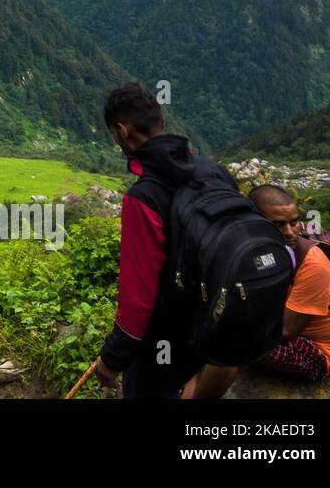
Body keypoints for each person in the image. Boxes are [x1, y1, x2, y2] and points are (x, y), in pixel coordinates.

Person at [94, 83, 239, 398]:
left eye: (114, 134)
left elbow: (138, 296)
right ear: (161, 122)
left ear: (122, 131)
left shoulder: (143, 197)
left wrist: (113, 359)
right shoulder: (214, 173)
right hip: (213, 328)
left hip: (163, 344)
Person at [248, 185, 330, 381]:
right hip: (278, 325)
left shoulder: (313, 265)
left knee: (233, 344)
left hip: (319, 350)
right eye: (278, 225)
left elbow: (286, 331)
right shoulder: (260, 250)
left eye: (294, 223)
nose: (289, 232)